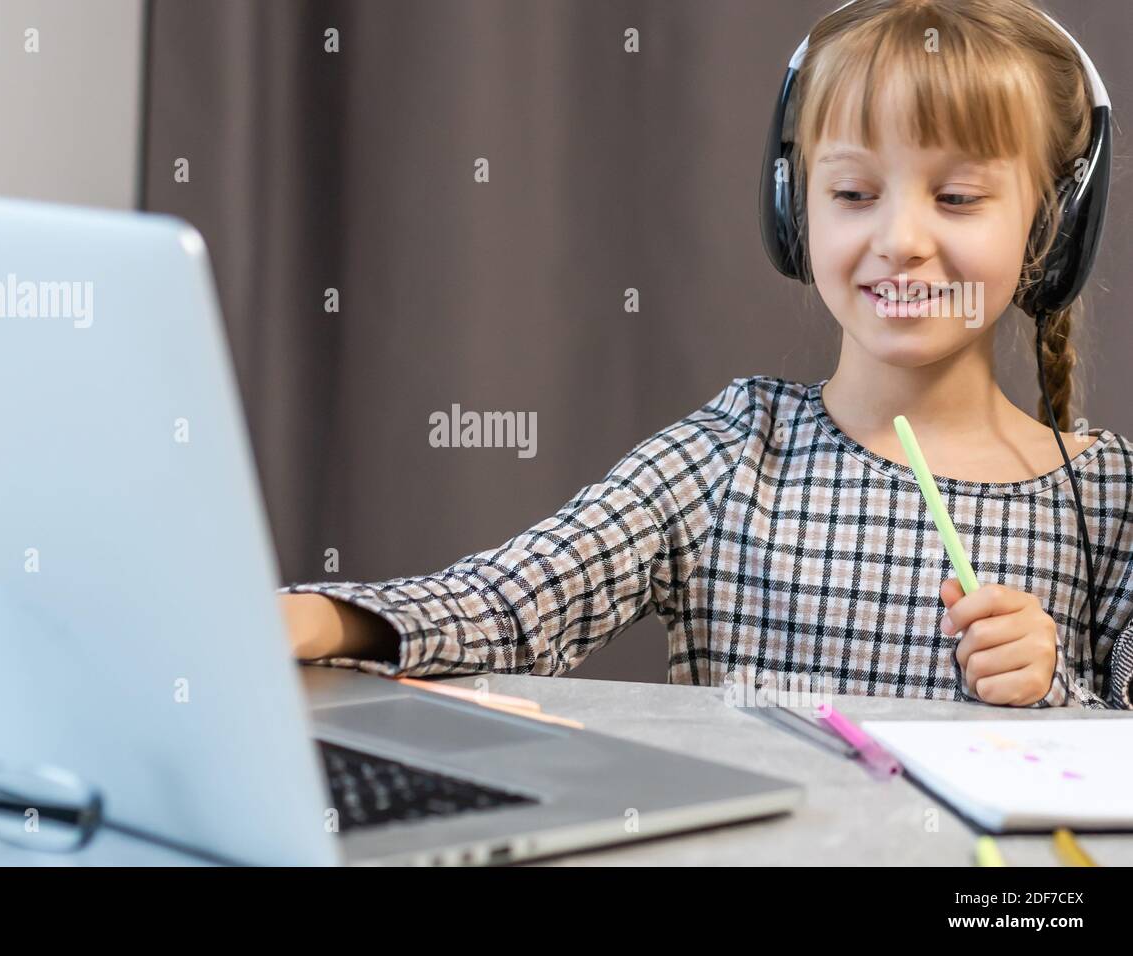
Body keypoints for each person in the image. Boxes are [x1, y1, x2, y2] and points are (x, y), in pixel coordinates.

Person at [278, 0, 1133, 709]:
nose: (900, 239)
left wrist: (1053, 695)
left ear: (1053, 225)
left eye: (955, 197)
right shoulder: (732, 454)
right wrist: (310, 618)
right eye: (852, 193)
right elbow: (508, 607)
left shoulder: (1111, 502)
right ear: (794, 212)